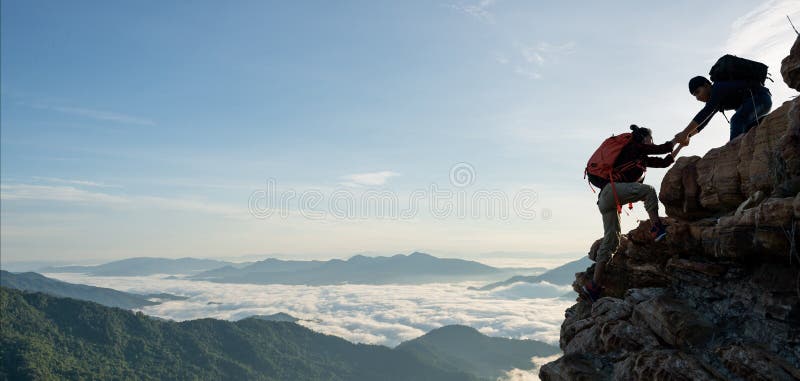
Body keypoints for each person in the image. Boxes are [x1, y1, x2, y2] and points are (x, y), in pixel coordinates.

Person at [583, 125, 675, 302]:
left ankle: (594, 286)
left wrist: (675, 152)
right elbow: (662, 148)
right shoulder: (634, 146)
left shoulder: (639, 157)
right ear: (643, 138)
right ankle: (657, 228)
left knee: (611, 240)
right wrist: (675, 140)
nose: (651, 142)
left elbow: (663, 161)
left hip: (606, 199)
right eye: (650, 139)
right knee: (648, 191)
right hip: (612, 192)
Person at [674, 75, 772, 145]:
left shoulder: (718, 88)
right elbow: (703, 122)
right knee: (747, 130)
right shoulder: (716, 99)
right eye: (695, 95)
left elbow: (705, 112)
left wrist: (685, 133)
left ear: (707, 85)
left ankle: (733, 154)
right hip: (759, 105)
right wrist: (687, 136)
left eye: (698, 92)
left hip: (761, 99)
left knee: (736, 120)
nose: (697, 98)